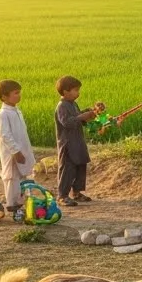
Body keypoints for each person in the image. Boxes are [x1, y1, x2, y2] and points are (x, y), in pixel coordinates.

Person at [53, 75, 103, 207]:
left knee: (81, 165)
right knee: (67, 168)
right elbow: (67, 122)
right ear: (65, 91)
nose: (78, 93)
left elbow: (78, 116)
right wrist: (82, 117)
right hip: (68, 144)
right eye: (75, 90)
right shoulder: (62, 106)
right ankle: (62, 196)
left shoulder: (73, 104)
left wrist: (92, 112)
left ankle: (77, 192)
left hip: (78, 141)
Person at [0, 80, 35, 224]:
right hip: (12, 154)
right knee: (12, 179)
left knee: (23, 177)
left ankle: (22, 204)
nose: (19, 95)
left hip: (22, 150)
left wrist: (22, 151)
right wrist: (16, 151)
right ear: (4, 97)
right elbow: (5, 135)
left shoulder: (16, 111)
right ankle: (13, 207)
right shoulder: (3, 114)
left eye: (19, 93)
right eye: (16, 93)